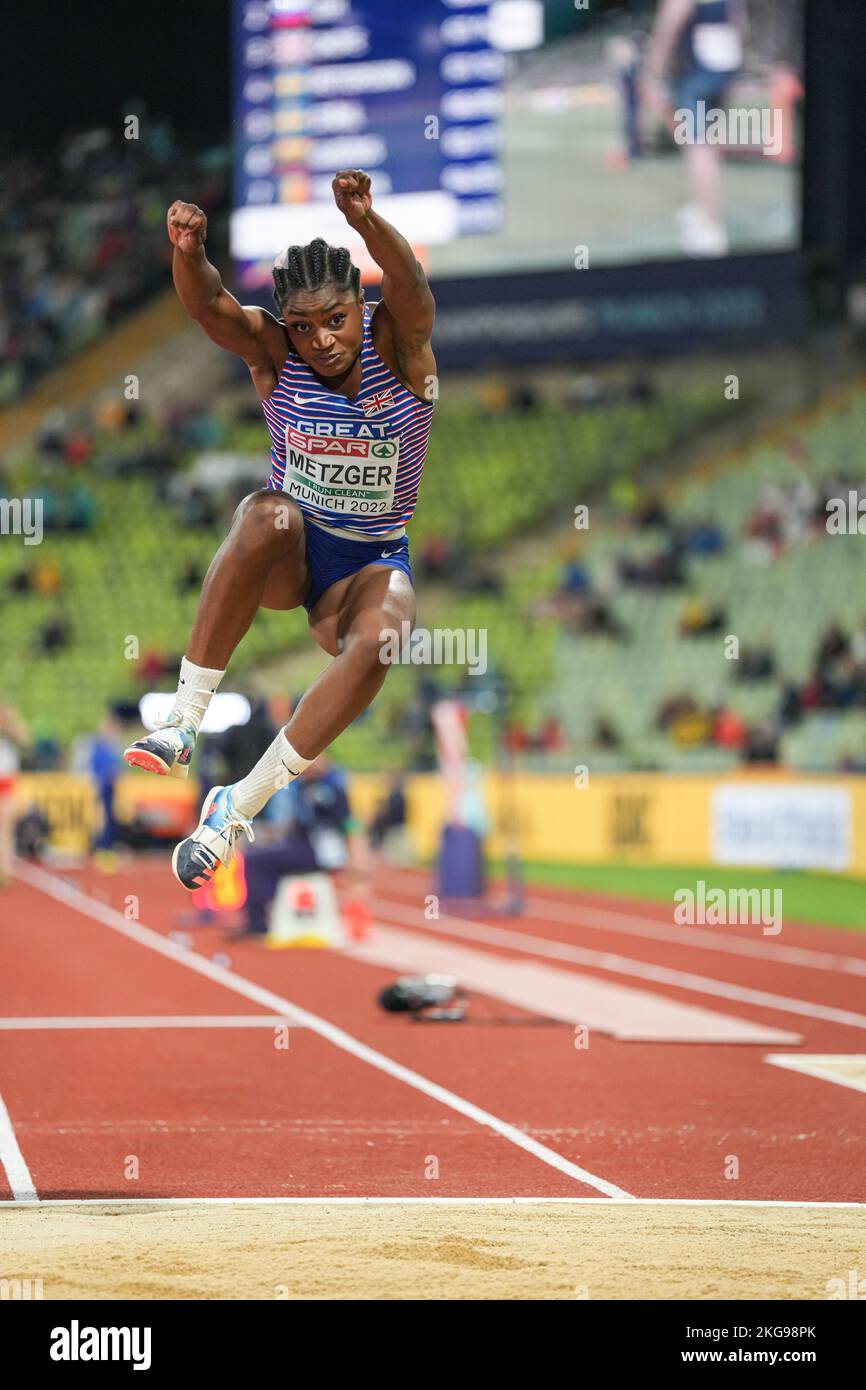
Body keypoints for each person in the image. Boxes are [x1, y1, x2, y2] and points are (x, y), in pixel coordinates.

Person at [123, 169, 436, 890]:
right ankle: (181, 722)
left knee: (386, 636)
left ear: (362, 303)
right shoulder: (278, 355)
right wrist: (187, 250)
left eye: (335, 318)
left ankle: (235, 808)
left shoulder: (404, 347)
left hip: (365, 567)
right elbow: (208, 308)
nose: (320, 339)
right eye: (303, 325)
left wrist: (365, 222)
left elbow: (412, 284)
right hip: (290, 554)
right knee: (265, 510)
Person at [237, 755, 363, 938]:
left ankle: (258, 922)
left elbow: (350, 825)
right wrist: (268, 836)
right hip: (304, 846)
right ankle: (268, 907)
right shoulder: (304, 786)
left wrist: (357, 860)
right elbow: (292, 825)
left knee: (255, 860)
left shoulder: (332, 788)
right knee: (258, 853)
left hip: (319, 852)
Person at [0, 706, 28, 886]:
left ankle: (6, 868)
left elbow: (25, 741)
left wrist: (12, 722)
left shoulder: (11, 735)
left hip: (8, 782)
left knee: (5, 828)